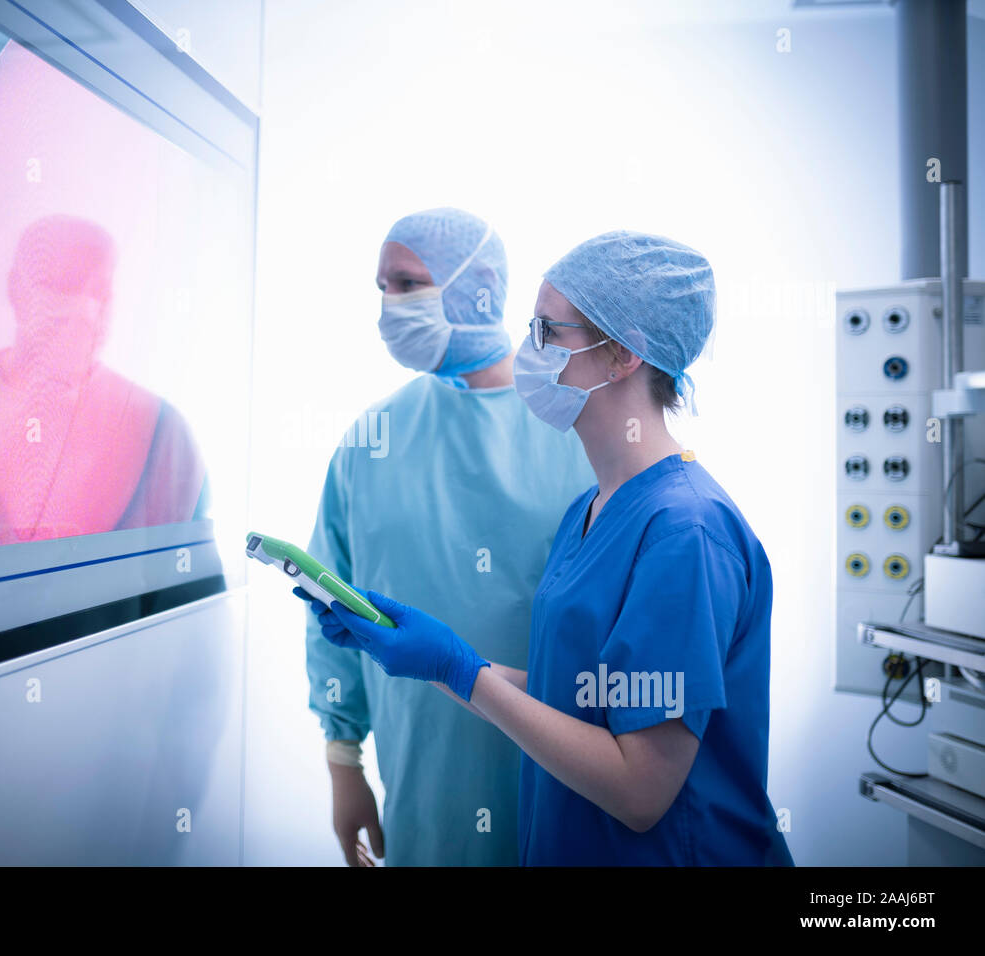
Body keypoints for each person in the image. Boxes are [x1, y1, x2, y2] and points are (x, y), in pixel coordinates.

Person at [301, 230, 795, 866]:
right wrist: (433, 658)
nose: (525, 351)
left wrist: (461, 670)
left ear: (621, 356)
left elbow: (642, 788)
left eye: (547, 333)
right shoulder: (591, 511)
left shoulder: (686, 532)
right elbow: (585, 699)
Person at [304, 207, 595, 866]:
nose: (390, 305)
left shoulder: (581, 434)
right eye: (382, 287)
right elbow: (332, 608)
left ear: (482, 286)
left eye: (408, 284)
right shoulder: (372, 441)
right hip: (422, 788)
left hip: (566, 784)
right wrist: (343, 764)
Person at [0, 214, 209, 553]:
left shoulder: (161, 433)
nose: (85, 311)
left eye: (99, 292)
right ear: (15, 290)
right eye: (63, 285)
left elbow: (191, 592)